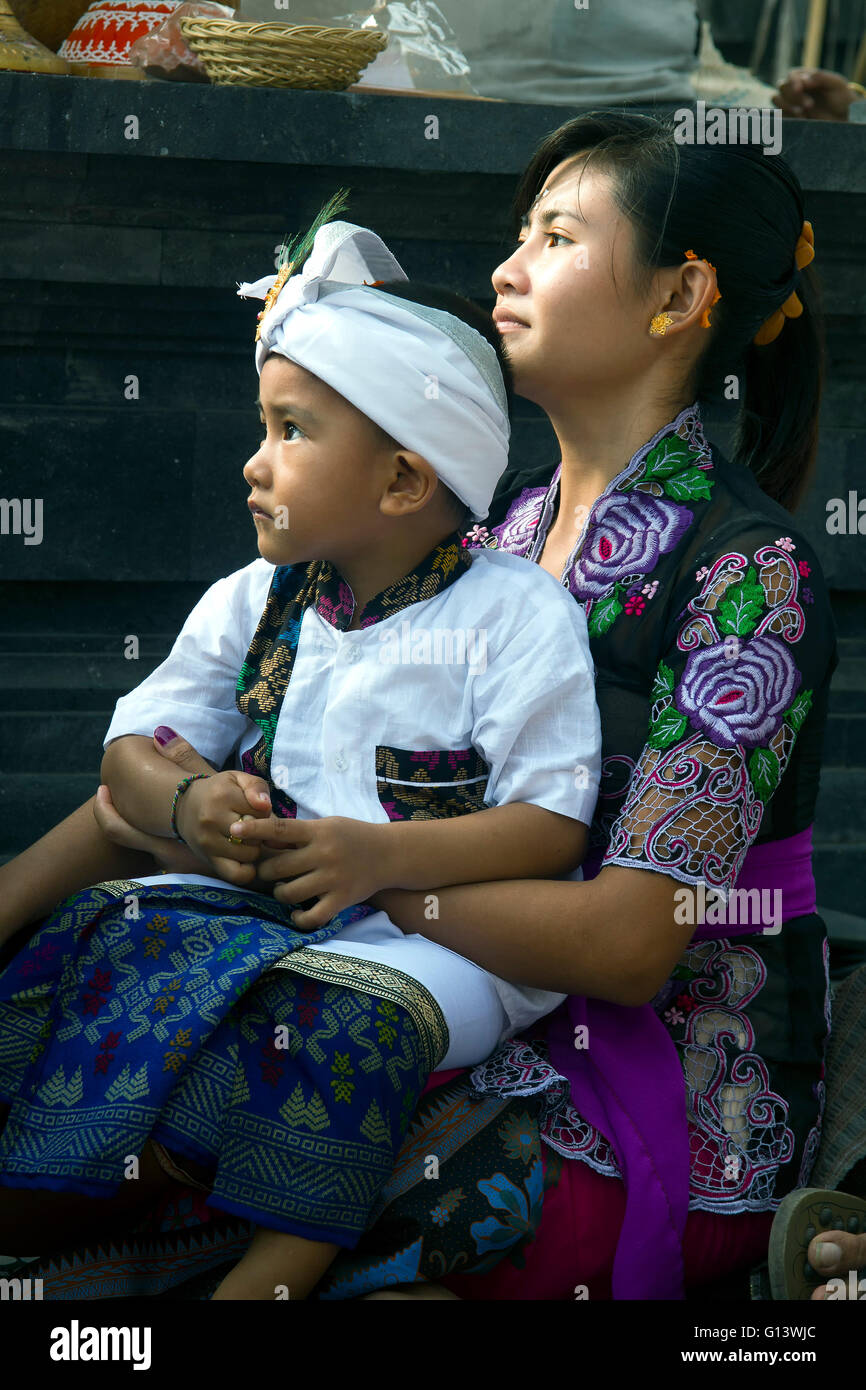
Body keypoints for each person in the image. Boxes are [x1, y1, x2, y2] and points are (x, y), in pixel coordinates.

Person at [0, 108, 838, 1302]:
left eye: (554, 235)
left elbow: (628, 943)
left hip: (647, 1082)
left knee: (278, 1174)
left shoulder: (749, 576)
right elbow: (188, 747)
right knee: (114, 1073)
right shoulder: (478, 536)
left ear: (676, 296)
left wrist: (360, 863)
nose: (504, 267)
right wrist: (200, 816)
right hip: (413, 989)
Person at [0, 215, 602, 1299]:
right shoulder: (255, 598)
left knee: (345, 1018)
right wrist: (191, 805)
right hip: (267, 915)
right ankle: (56, 1199)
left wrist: (377, 861)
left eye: (289, 431)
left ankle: (277, 1266)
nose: (253, 461)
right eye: (263, 425)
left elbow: (550, 824)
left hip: (448, 947)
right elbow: (131, 752)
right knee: (106, 931)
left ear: (403, 483)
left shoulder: (516, 614)